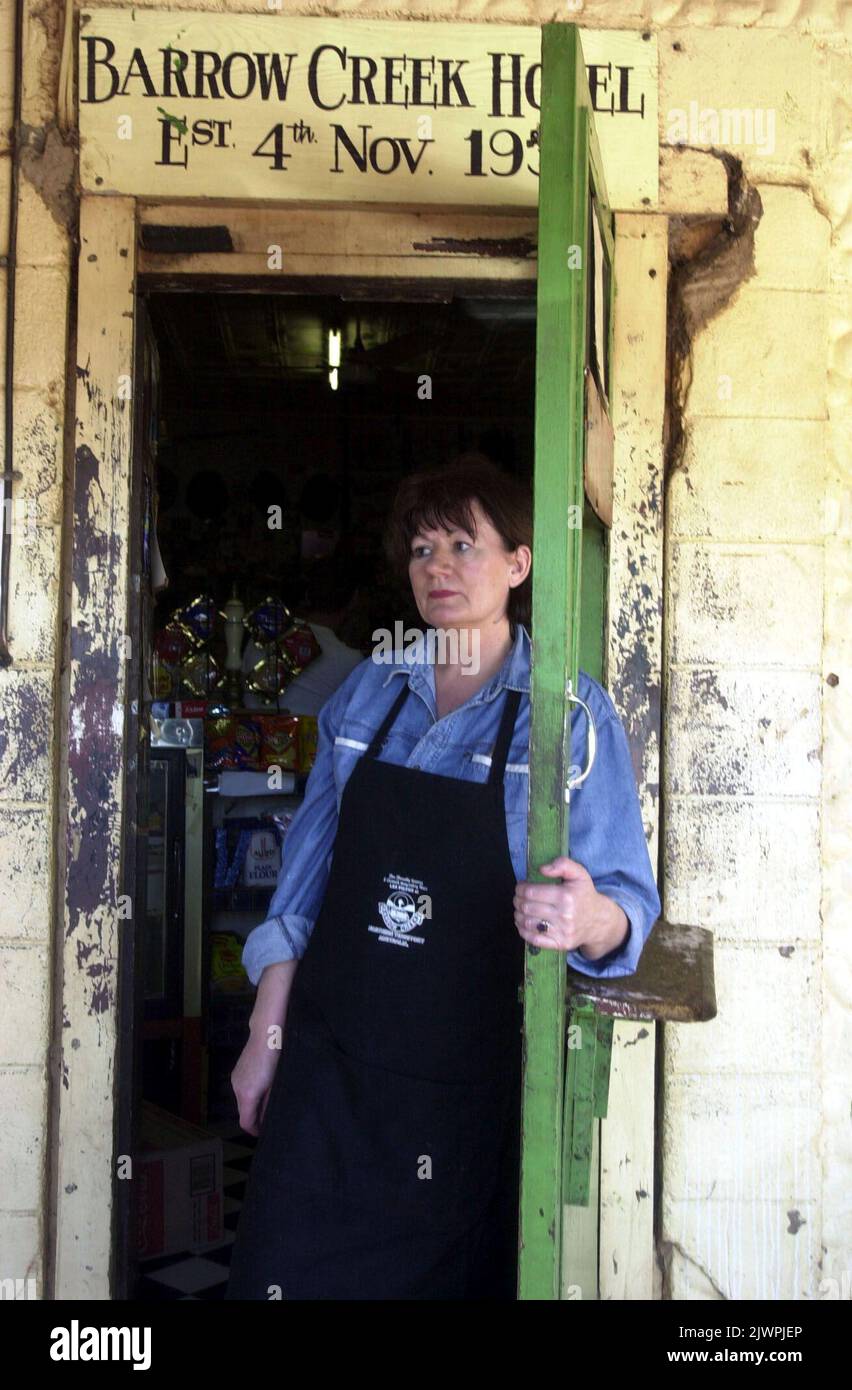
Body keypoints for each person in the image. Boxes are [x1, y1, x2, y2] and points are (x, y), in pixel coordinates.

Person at [225, 457, 661, 1301]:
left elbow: (626, 910)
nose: (439, 567)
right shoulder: (367, 692)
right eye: (423, 548)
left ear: (519, 564)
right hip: (333, 1067)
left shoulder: (567, 714)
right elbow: (304, 888)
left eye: (465, 543)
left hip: (460, 1084)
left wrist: (586, 917)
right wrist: (262, 1038)